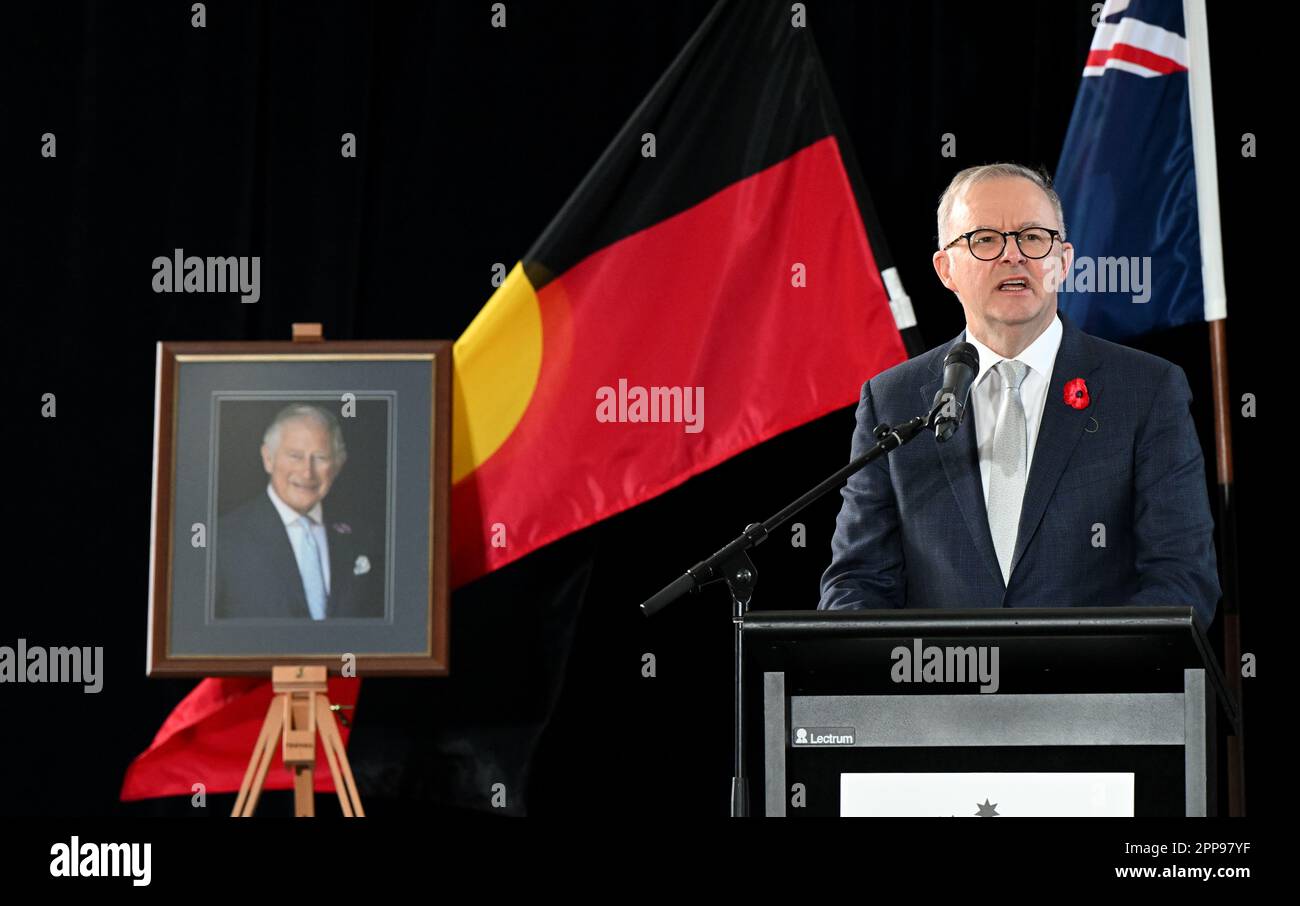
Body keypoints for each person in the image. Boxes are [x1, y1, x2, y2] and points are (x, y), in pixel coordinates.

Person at [818, 163, 1220, 628]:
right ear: (946, 268)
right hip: (936, 692)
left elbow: (1182, 578)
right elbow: (857, 584)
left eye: (1033, 237)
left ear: (1063, 262)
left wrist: (1073, 677)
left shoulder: (1146, 390)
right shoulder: (893, 400)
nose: (1014, 256)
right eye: (985, 239)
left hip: (1095, 694)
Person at [215, 403, 382, 619]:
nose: (307, 472)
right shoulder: (223, 540)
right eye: (295, 456)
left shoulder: (363, 536)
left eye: (320, 457)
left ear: (338, 465)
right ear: (268, 459)